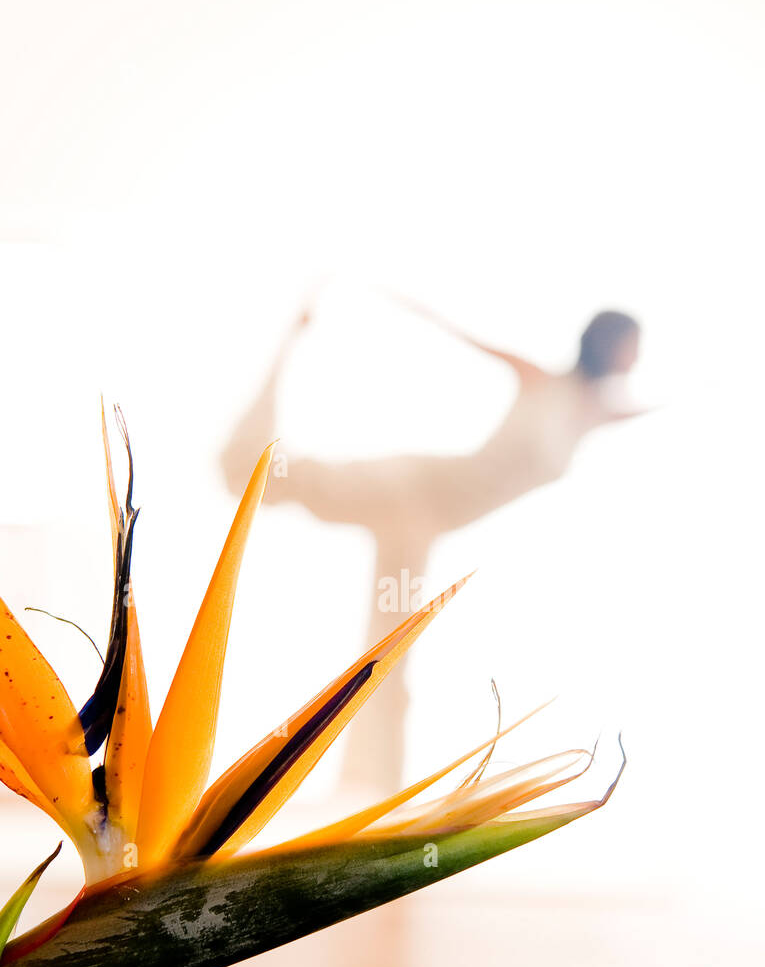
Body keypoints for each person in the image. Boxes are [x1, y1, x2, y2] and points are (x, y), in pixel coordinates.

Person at [221, 297, 645, 791]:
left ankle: (369, 786)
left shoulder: (594, 413)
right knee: (270, 478)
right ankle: (284, 354)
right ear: (608, 343)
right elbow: (469, 335)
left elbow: (670, 402)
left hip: (421, 519)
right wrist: (410, 305)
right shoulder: (541, 381)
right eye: (632, 346)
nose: (635, 359)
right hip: (414, 486)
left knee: (388, 646)